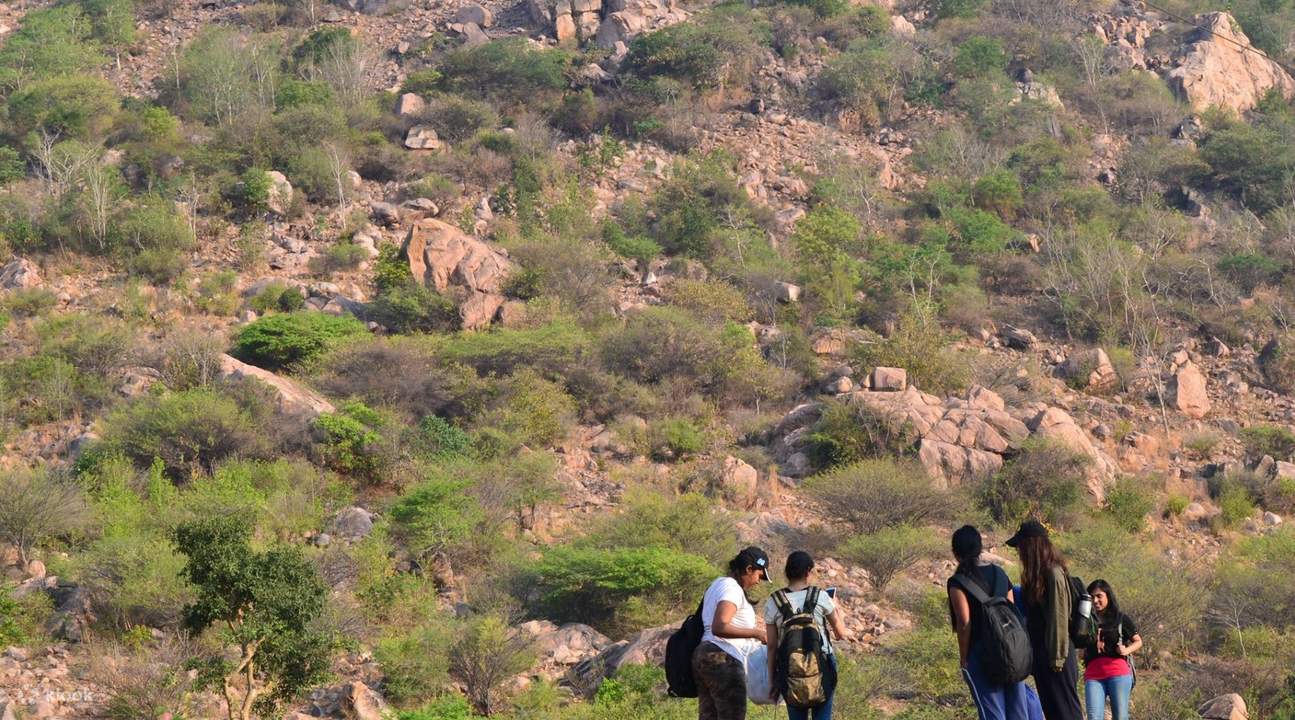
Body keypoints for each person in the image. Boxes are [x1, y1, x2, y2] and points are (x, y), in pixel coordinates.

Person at [946, 526, 1032, 720]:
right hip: (1011, 649)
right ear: (979, 548)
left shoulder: (958, 582)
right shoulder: (1000, 573)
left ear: (956, 552)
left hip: (980, 652)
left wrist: (964, 657)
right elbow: (1012, 610)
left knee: (992, 713)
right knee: (1018, 711)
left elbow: (964, 622)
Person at [1007, 520, 1083, 720]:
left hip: (1057, 658)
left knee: (1067, 713)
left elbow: (1059, 619)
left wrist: (1057, 659)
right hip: (1044, 658)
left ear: (1031, 546)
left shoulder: (1053, 573)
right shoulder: (1037, 577)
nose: (1019, 553)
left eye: (1021, 547)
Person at [764, 551, 850, 720]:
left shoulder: (774, 601)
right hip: (822, 664)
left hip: (789, 668)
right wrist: (837, 610)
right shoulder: (821, 596)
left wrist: (773, 681)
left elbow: (772, 646)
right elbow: (840, 633)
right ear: (808, 572)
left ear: (787, 572)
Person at [693, 546, 771, 720]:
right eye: (759, 575)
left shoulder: (718, 584)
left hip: (704, 654)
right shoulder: (731, 588)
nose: (758, 582)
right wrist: (756, 633)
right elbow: (720, 626)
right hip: (723, 656)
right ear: (749, 569)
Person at [1081, 580, 1141, 720]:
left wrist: (1126, 650)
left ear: (1108, 595)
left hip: (1118, 673)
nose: (1095, 600)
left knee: (1120, 717)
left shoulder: (1120, 618)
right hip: (1093, 675)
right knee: (1093, 717)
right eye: (1092, 597)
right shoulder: (1086, 621)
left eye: (1099, 596)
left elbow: (1138, 641)